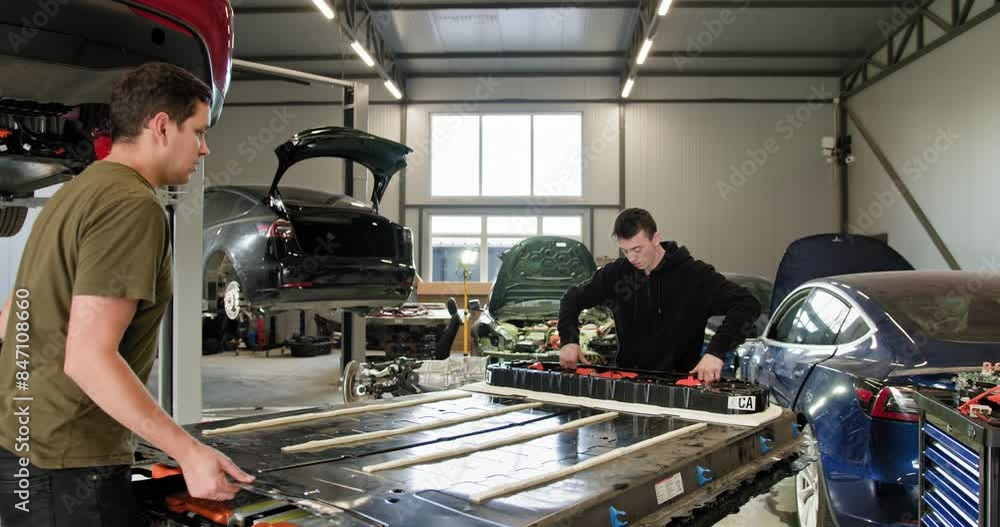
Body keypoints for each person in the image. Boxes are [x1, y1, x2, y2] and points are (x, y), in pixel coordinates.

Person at [0, 62, 253, 526]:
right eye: (197, 132)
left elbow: (13, 315)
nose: (204, 148)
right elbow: (87, 357)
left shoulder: (75, 192)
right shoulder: (132, 206)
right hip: (72, 463)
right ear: (161, 126)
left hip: (23, 445)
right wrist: (188, 451)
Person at [557, 208, 761, 383]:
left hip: (680, 387)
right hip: (629, 385)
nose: (632, 258)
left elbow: (747, 304)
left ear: (656, 238)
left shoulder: (693, 275)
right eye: (625, 251)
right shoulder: (617, 274)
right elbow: (571, 299)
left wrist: (716, 352)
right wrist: (569, 341)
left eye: (637, 249)